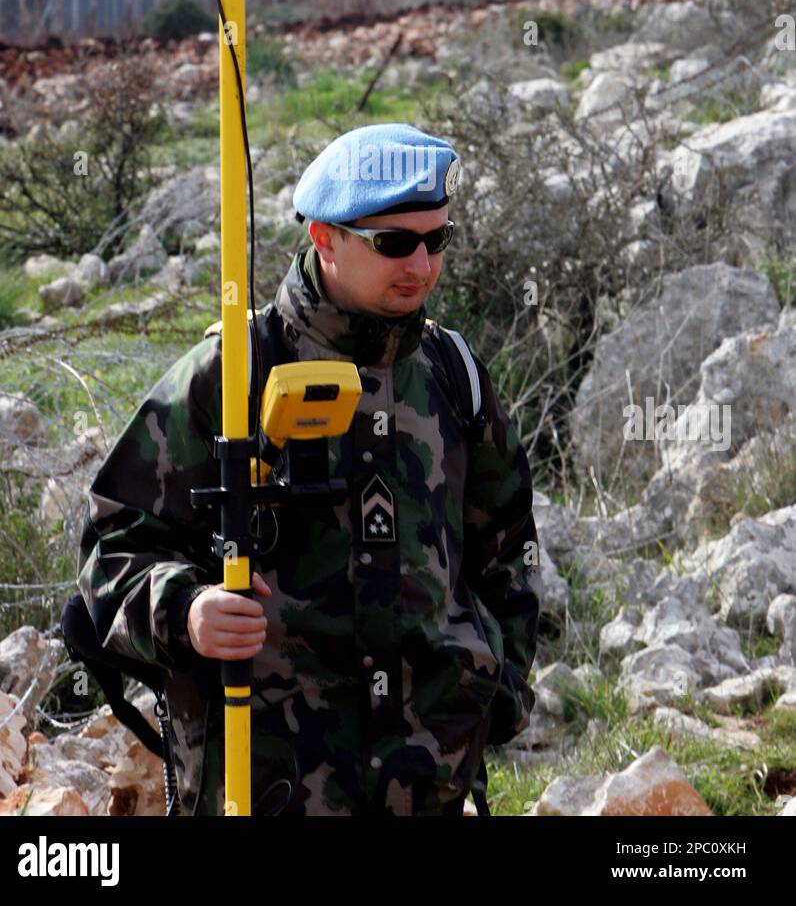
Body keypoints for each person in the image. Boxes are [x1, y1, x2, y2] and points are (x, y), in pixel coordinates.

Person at [76, 122, 539, 816]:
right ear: (325, 238)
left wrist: (496, 693)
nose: (421, 265)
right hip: (272, 784)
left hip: (431, 785)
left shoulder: (453, 375)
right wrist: (189, 609)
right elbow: (114, 547)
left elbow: (508, 549)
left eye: (436, 239)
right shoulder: (231, 375)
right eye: (394, 243)